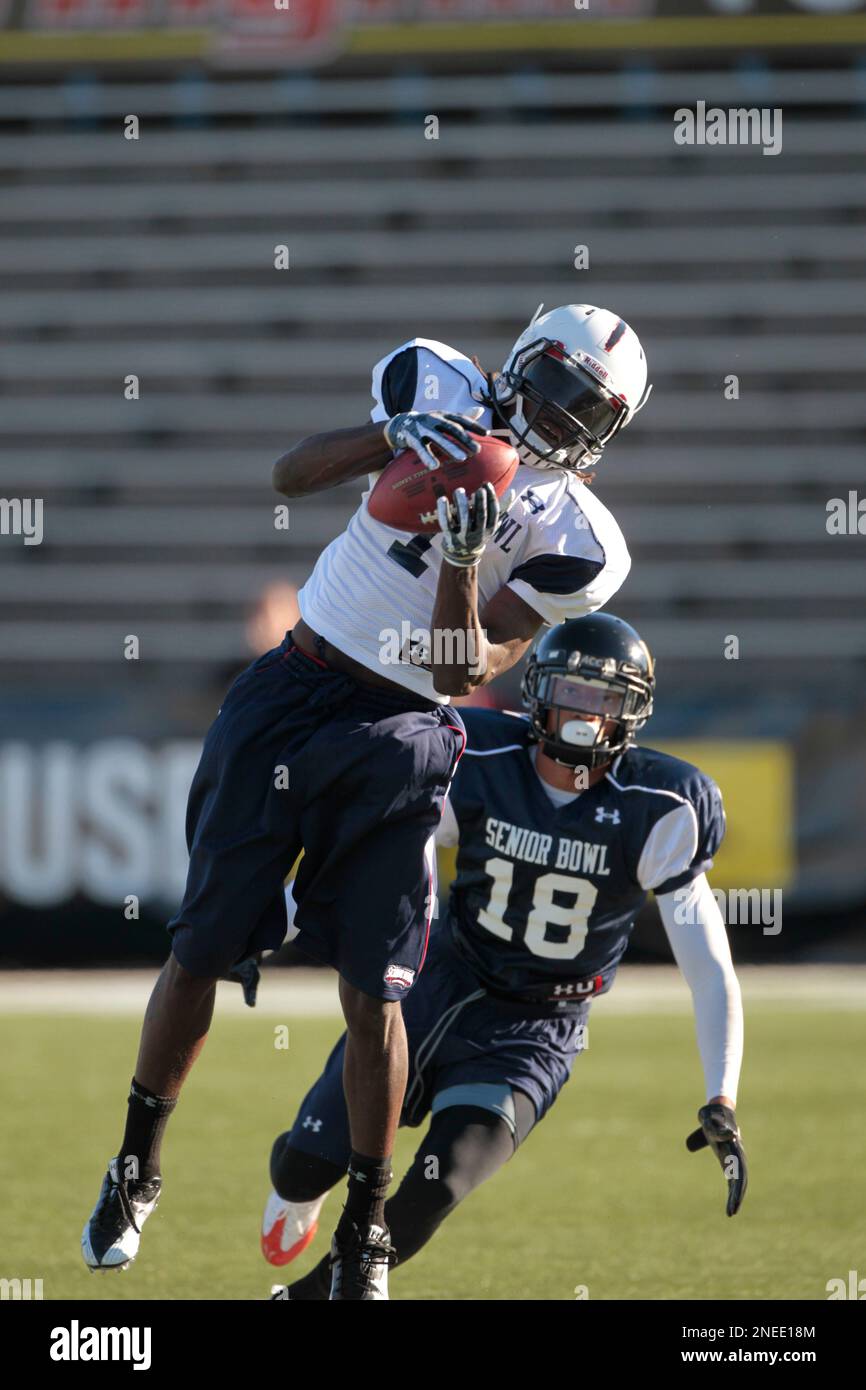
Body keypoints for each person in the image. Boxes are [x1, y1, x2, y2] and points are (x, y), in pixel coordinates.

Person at [82, 305, 650, 1300]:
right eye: (552, 390)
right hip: (292, 689)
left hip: (404, 727)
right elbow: (289, 476)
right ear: (520, 366)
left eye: (580, 412)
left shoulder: (579, 538)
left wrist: (467, 558)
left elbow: (456, 663)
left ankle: (366, 1229)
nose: (553, 419)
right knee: (202, 946)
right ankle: (136, 1165)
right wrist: (391, 438)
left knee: (374, 990)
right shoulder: (434, 380)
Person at [264, 614, 746, 1300]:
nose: (584, 714)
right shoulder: (480, 754)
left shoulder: (661, 805)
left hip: (536, 1028)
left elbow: (709, 970)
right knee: (303, 1165)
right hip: (438, 980)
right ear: (539, 694)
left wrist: (721, 1095)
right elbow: (402, 837)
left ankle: (315, 1297)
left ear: (630, 710)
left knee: (442, 1179)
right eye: (572, 693)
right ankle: (299, 1193)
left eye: (603, 698)